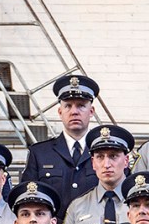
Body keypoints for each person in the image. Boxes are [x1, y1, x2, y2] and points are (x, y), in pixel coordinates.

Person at [19, 74, 100, 216]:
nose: (74, 111)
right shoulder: (40, 153)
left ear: (91, 111)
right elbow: (28, 199)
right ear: (60, 112)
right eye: (68, 106)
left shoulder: (104, 153)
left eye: (81, 106)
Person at [57, 124, 136, 224]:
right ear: (93, 163)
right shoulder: (77, 208)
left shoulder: (143, 205)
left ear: (126, 161)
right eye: (100, 157)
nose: (106, 164)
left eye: (113, 156)